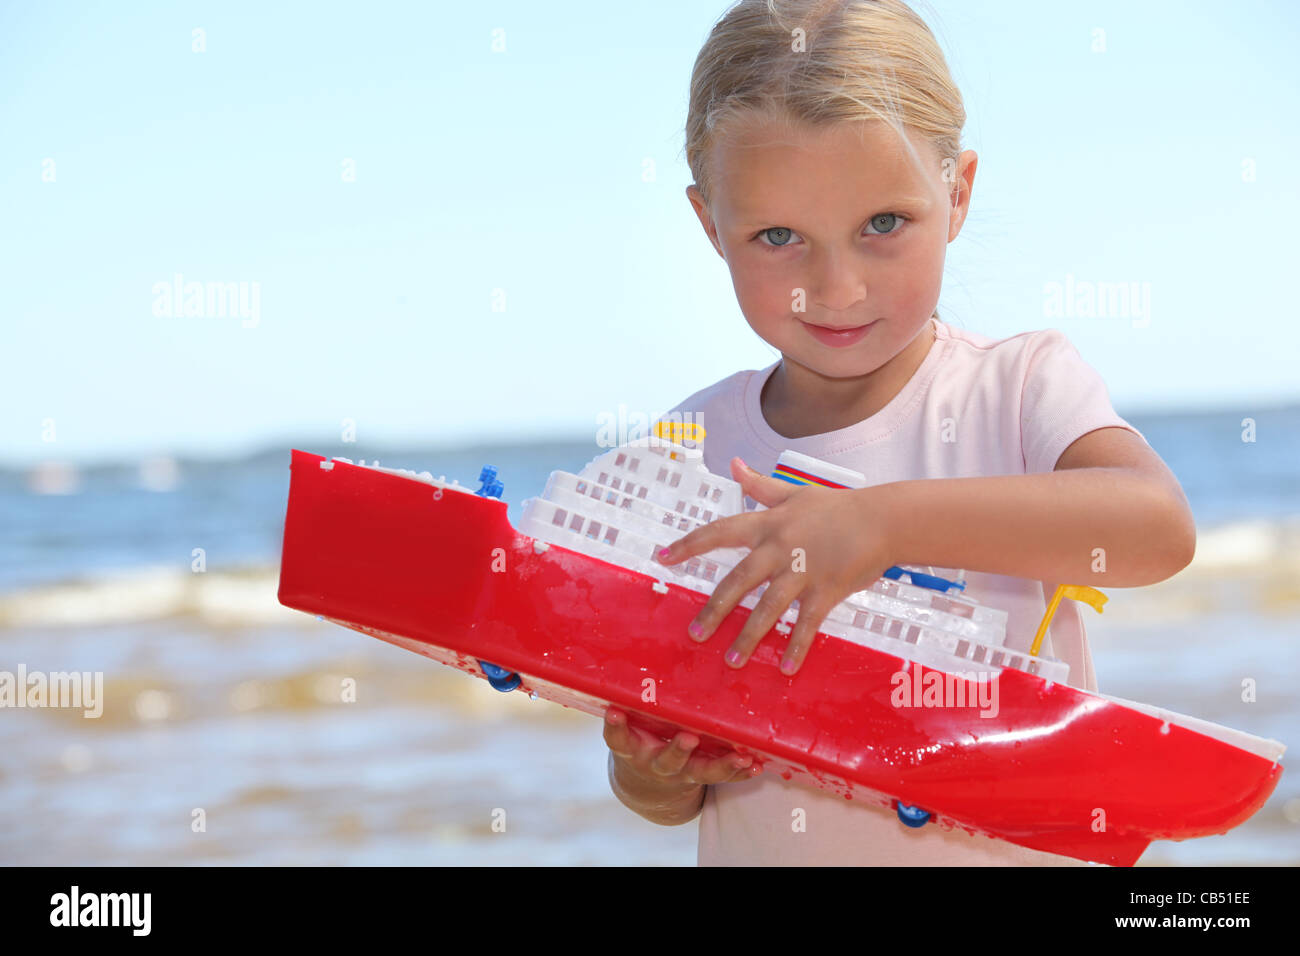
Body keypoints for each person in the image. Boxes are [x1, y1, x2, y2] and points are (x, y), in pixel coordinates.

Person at [604, 0, 1196, 866]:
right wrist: (652, 768)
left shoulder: (1018, 389)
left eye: (884, 224)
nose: (836, 288)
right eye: (778, 237)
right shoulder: (684, 450)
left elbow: (1156, 531)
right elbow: (661, 791)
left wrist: (876, 525)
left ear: (955, 194)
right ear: (710, 228)